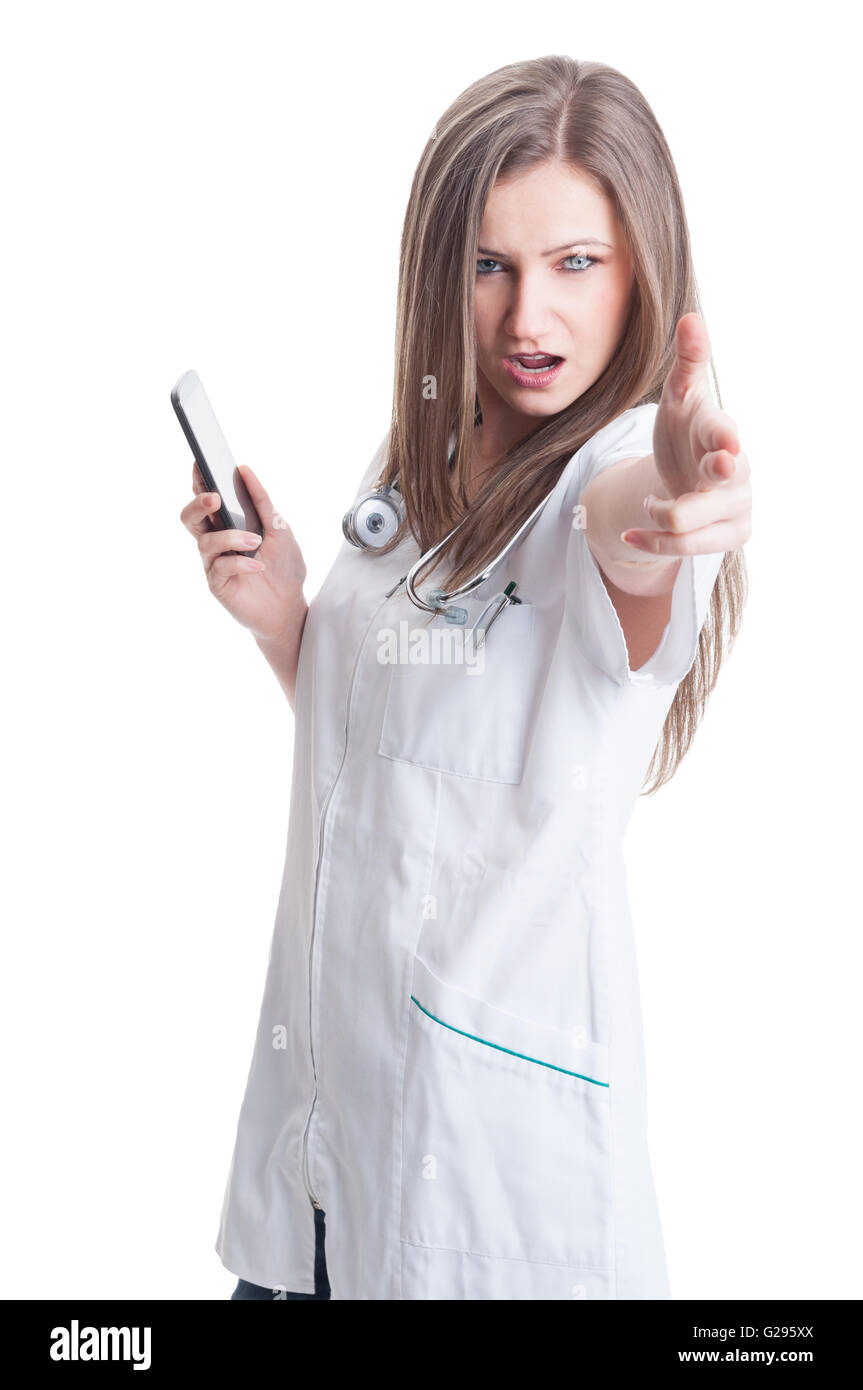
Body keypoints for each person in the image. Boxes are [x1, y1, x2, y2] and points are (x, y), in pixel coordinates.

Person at [180, 54, 752, 1300]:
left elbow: (632, 524)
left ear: (641, 267)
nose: (524, 319)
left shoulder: (603, 480)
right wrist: (288, 620)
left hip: (480, 1204)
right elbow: (404, 762)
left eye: (573, 264)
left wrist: (681, 485)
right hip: (319, 1170)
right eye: (489, 264)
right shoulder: (428, 450)